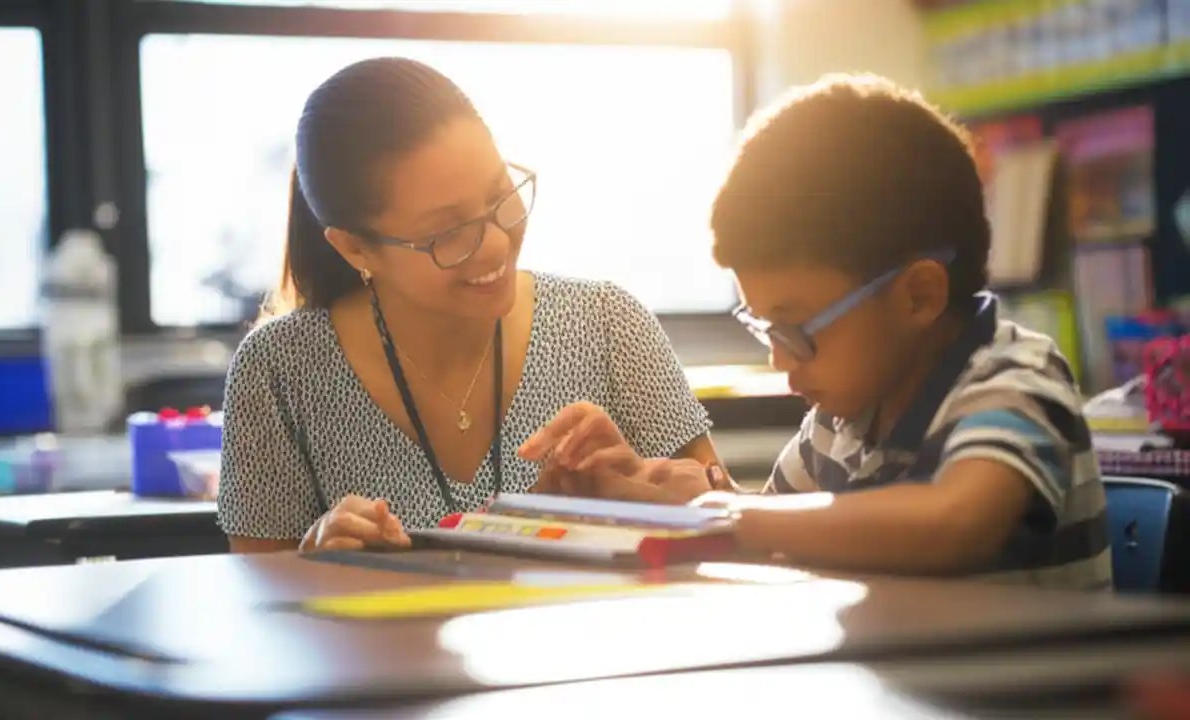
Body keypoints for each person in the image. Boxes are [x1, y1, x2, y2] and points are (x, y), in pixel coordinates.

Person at [522, 74, 1111, 590]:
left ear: (918, 295)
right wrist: (640, 496)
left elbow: (954, 523)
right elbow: (781, 524)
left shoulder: (1016, 382)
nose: (781, 361)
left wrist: (726, 514)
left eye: (797, 330)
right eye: (765, 328)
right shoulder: (842, 418)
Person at [216, 57, 719, 554]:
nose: (497, 245)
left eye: (501, 195)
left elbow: (737, 533)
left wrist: (656, 498)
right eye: (448, 232)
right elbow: (257, 590)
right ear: (354, 248)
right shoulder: (279, 368)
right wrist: (316, 558)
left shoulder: (607, 323)